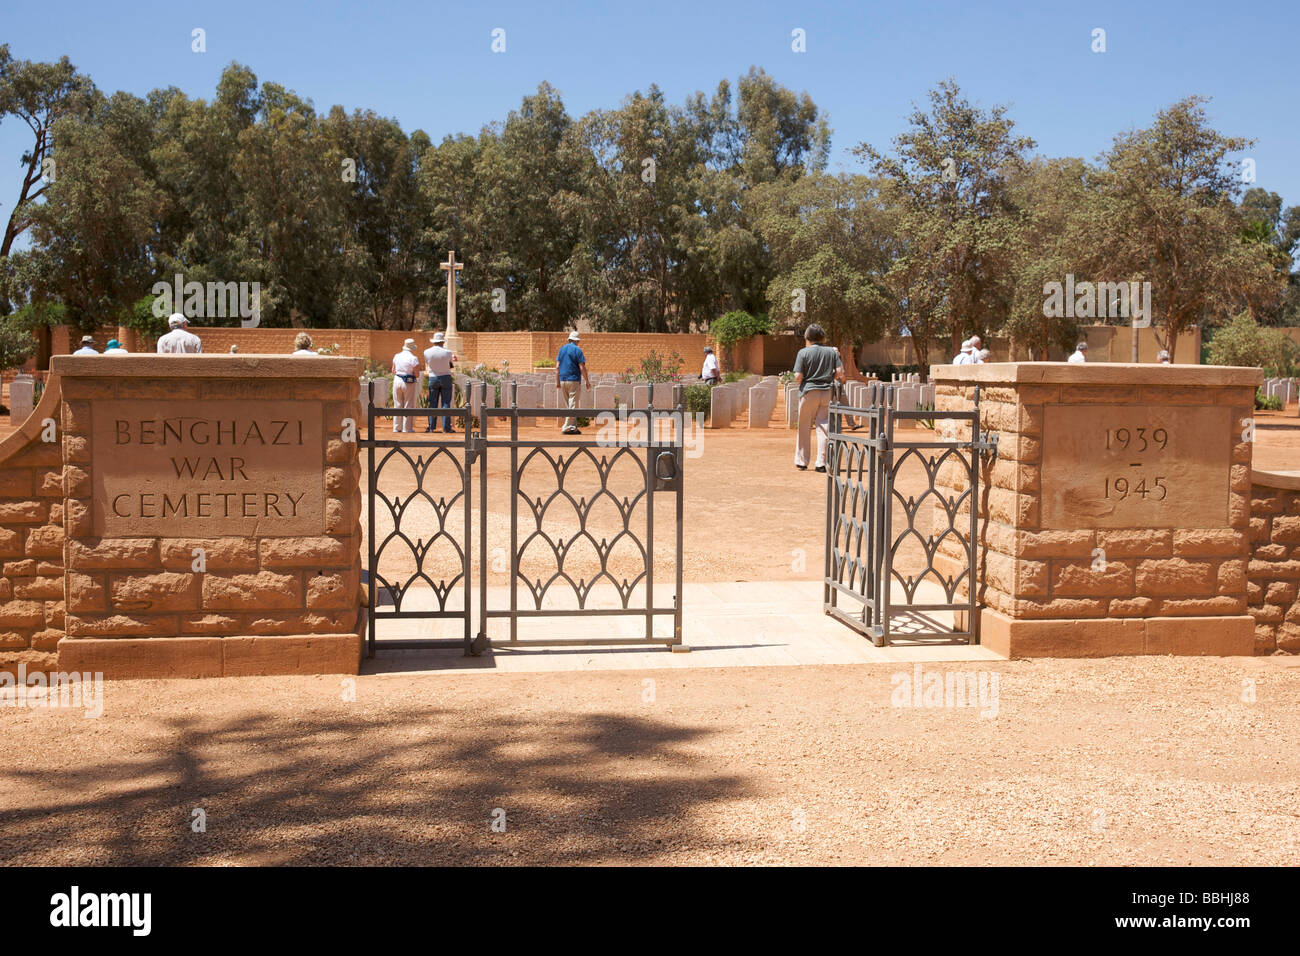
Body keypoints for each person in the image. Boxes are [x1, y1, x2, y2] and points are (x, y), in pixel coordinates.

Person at [792, 323, 845, 473]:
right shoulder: (831, 352)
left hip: (809, 392)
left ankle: (802, 461)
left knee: (804, 426)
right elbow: (840, 372)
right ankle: (821, 463)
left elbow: (798, 376)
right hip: (826, 392)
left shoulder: (803, 353)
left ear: (807, 337)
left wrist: (803, 380)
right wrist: (829, 377)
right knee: (824, 427)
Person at [555, 331, 590, 435]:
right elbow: (582, 367)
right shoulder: (577, 350)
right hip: (573, 380)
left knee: (569, 405)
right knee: (573, 404)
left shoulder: (562, 349)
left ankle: (573, 428)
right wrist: (587, 381)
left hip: (563, 379)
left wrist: (557, 381)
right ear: (576, 341)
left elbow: (557, 367)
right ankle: (566, 427)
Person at [424, 332, 457, 434]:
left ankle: (431, 427)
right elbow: (450, 364)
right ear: (443, 342)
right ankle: (446, 428)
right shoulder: (448, 352)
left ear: (434, 341)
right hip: (445, 377)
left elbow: (427, 363)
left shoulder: (427, 352)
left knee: (432, 403)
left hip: (433, 377)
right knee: (446, 403)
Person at [391, 338, 421, 434]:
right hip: (408, 381)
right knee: (408, 404)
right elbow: (417, 374)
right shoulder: (413, 358)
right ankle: (406, 428)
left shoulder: (396, 356)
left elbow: (393, 370)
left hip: (397, 380)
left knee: (397, 403)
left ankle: (396, 427)